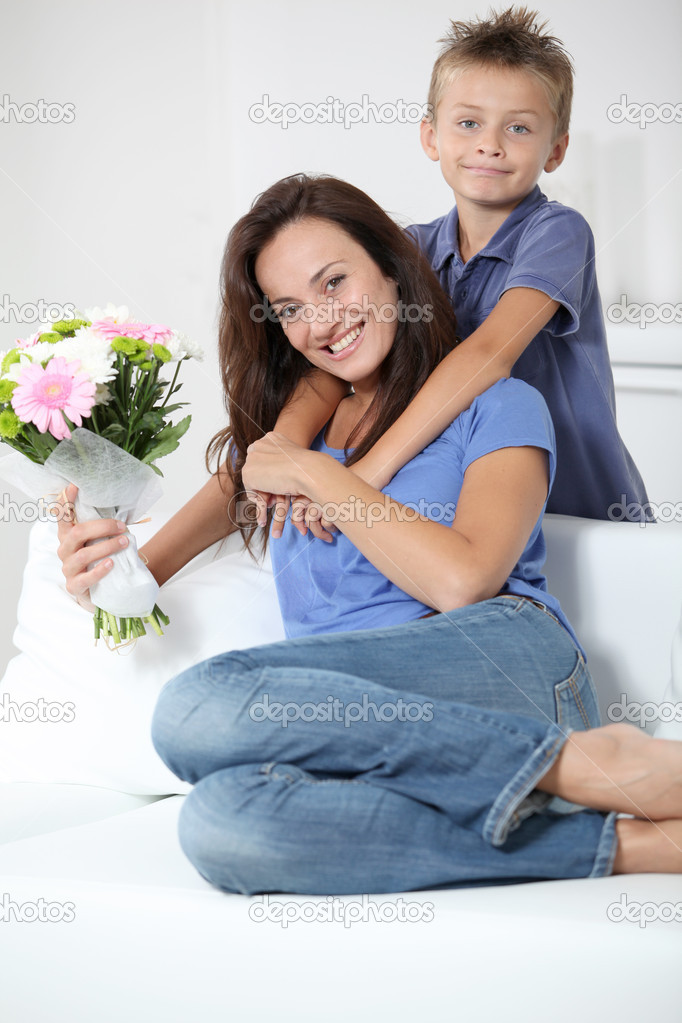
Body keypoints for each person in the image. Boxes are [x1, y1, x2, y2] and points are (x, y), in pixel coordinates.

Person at [58, 174, 681, 894]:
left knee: (196, 709)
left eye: (334, 281)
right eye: (291, 308)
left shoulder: (498, 405)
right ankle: (636, 845)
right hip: (363, 727)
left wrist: (324, 478)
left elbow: (463, 581)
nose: (321, 321)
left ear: (391, 268)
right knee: (221, 824)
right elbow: (142, 574)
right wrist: (103, 574)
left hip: (509, 662)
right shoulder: (283, 443)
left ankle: (586, 765)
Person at [255, 7, 649, 527]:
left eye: (519, 128)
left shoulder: (557, 232)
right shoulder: (412, 249)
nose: (490, 143)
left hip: (584, 514)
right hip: (479, 513)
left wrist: (366, 474)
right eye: (468, 123)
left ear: (556, 151)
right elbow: (336, 358)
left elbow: (488, 355)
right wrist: (285, 440)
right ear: (431, 137)